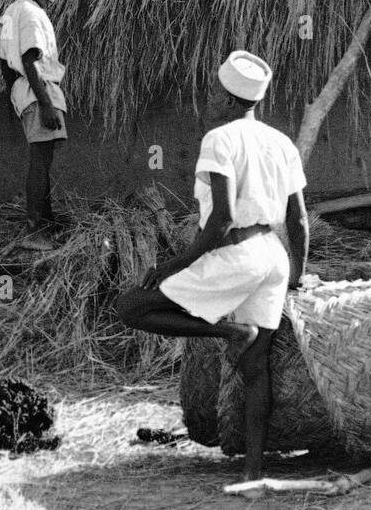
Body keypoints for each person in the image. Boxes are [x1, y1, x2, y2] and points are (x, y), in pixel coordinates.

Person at [116, 50, 310, 485]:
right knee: (254, 369)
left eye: (211, 92)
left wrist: (173, 264)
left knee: (130, 307)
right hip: (272, 256)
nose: (206, 99)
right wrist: (295, 275)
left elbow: (221, 219)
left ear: (226, 99)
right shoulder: (282, 143)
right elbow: (297, 221)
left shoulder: (220, 140)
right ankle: (253, 473)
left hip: (237, 254)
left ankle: (229, 332)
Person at [0, 0, 67, 249]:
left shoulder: (13, 11)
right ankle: (34, 232)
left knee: (43, 158)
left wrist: (16, 95)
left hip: (26, 91)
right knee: (40, 162)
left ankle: (47, 222)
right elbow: (30, 59)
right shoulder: (30, 13)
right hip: (38, 90)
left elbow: (4, 63)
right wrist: (46, 104)